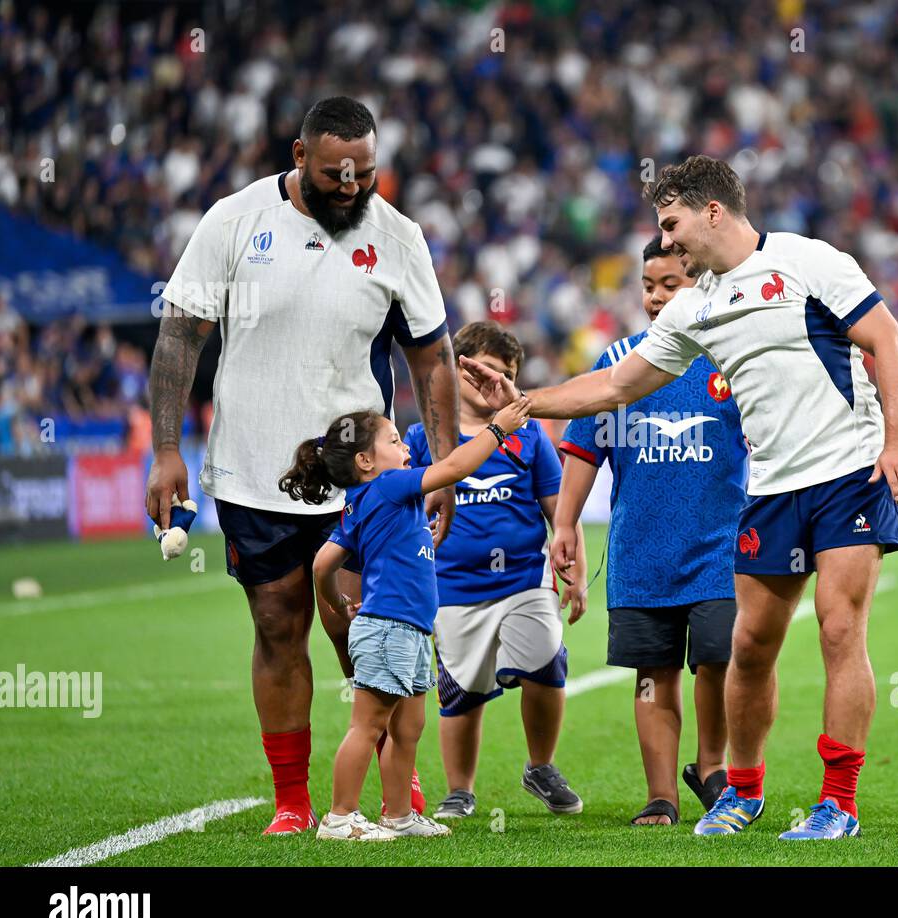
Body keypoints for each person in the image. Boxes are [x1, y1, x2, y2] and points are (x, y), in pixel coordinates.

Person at [463, 155, 898, 841]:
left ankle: (839, 803)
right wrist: (524, 403)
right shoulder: (695, 307)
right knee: (751, 645)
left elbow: (889, 340)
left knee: (838, 628)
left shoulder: (808, 261)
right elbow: (615, 387)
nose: (667, 240)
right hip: (770, 489)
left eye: (672, 224)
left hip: (846, 472)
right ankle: (742, 791)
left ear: (712, 211)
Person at [146, 96, 460, 834]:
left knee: (367, 625)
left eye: (365, 173)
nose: (351, 185)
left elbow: (431, 357)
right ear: (298, 157)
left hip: (363, 479)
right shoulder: (233, 221)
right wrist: (166, 450)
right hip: (253, 469)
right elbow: (178, 336)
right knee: (277, 625)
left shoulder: (398, 237)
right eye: (334, 173)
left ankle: (394, 789)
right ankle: (292, 801)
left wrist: (441, 464)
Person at [551, 237, 746, 826]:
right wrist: (564, 522)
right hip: (641, 552)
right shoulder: (619, 362)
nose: (658, 298)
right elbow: (585, 450)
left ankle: (711, 768)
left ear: (702, 286)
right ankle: (661, 796)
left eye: (672, 285)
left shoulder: (730, 364)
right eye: (650, 285)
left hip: (721, 549)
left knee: (717, 660)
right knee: (652, 674)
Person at [281, 400, 530, 839]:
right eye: (394, 441)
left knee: (408, 727)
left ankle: (398, 814)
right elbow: (454, 468)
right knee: (369, 725)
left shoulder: (364, 501)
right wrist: (497, 429)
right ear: (365, 461)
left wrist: (338, 601)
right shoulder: (390, 485)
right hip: (388, 628)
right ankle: (340, 817)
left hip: (408, 629)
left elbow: (323, 564)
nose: (404, 447)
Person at [405, 321, 588, 819]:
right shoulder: (422, 438)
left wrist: (574, 572)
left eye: (506, 373)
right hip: (452, 588)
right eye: (483, 369)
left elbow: (560, 511)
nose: (493, 382)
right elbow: (403, 507)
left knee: (547, 662)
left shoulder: (529, 436)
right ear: (455, 370)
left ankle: (541, 766)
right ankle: (459, 790)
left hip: (524, 581)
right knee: (461, 694)